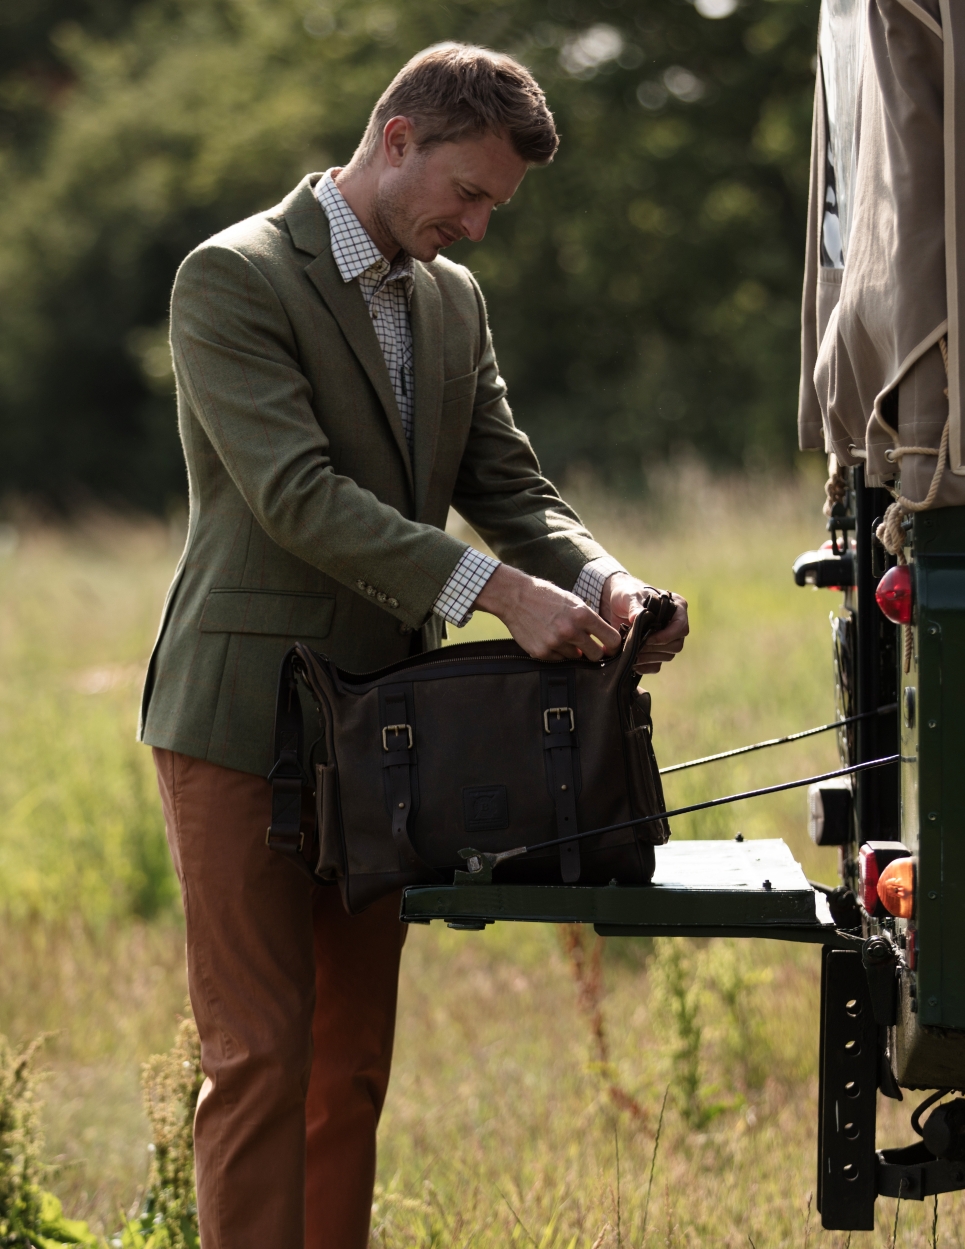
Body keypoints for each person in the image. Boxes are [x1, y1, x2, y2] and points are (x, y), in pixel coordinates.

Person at [138, 41, 689, 1249]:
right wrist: (499, 594)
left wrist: (609, 582)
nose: (478, 227)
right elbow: (297, 495)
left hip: (384, 735)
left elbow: (510, 485)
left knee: (349, 1063)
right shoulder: (231, 276)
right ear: (398, 141)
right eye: (469, 193)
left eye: (495, 207)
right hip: (238, 720)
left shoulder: (452, 300)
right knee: (259, 1055)